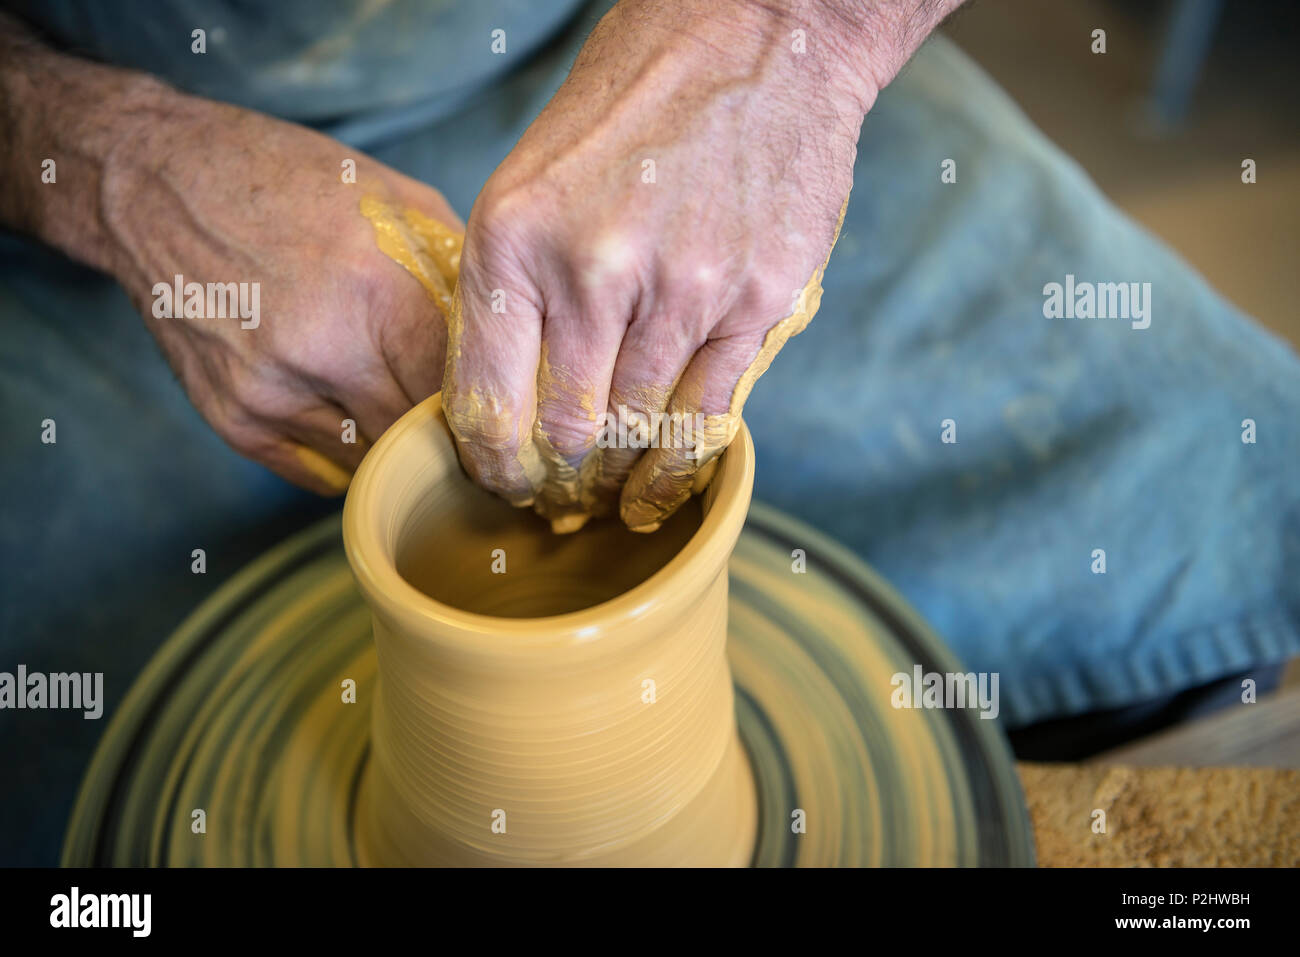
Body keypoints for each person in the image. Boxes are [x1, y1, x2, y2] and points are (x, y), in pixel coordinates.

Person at [1, 0, 1297, 864]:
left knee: (1224, 452)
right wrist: (105, 159)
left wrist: (800, 42)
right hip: (92, 179)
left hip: (663, 78)